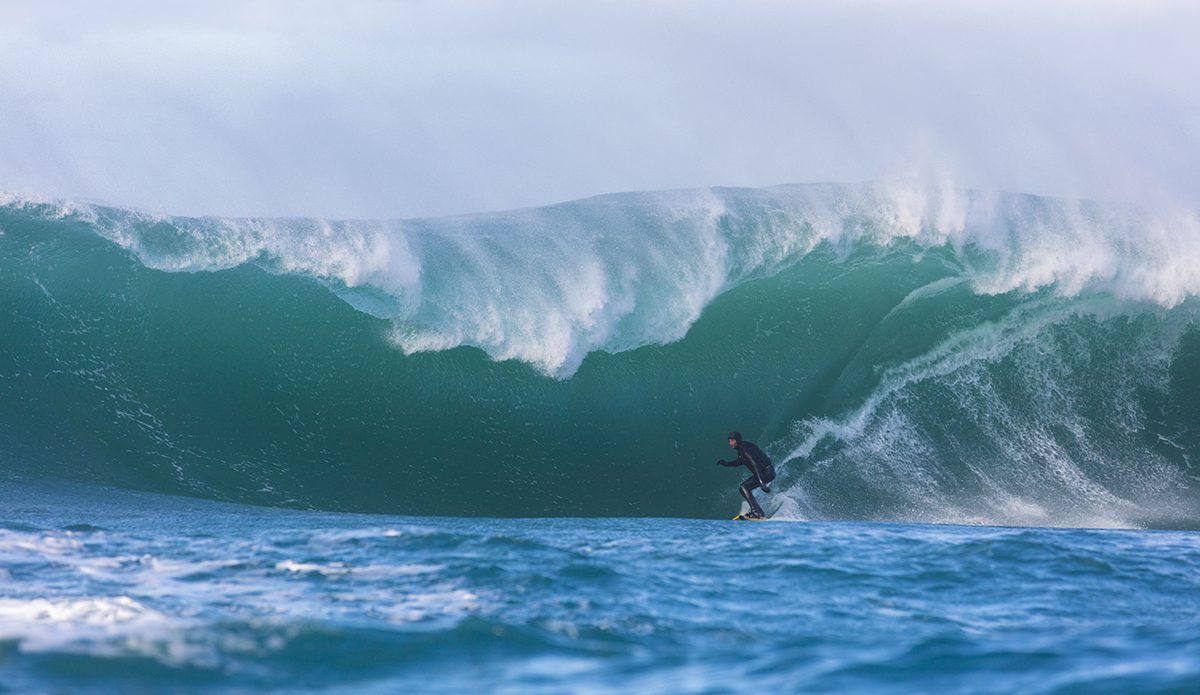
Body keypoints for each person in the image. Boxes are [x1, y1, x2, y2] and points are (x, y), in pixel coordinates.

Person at [717, 431, 776, 519]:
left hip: (766, 472)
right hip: (766, 472)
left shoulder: (744, 450)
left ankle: (757, 512)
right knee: (744, 487)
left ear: (737, 440)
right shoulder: (743, 448)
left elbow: (755, 464)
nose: (730, 443)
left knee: (744, 487)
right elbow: (740, 461)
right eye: (729, 441)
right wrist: (726, 463)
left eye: (732, 440)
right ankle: (757, 511)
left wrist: (761, 482)